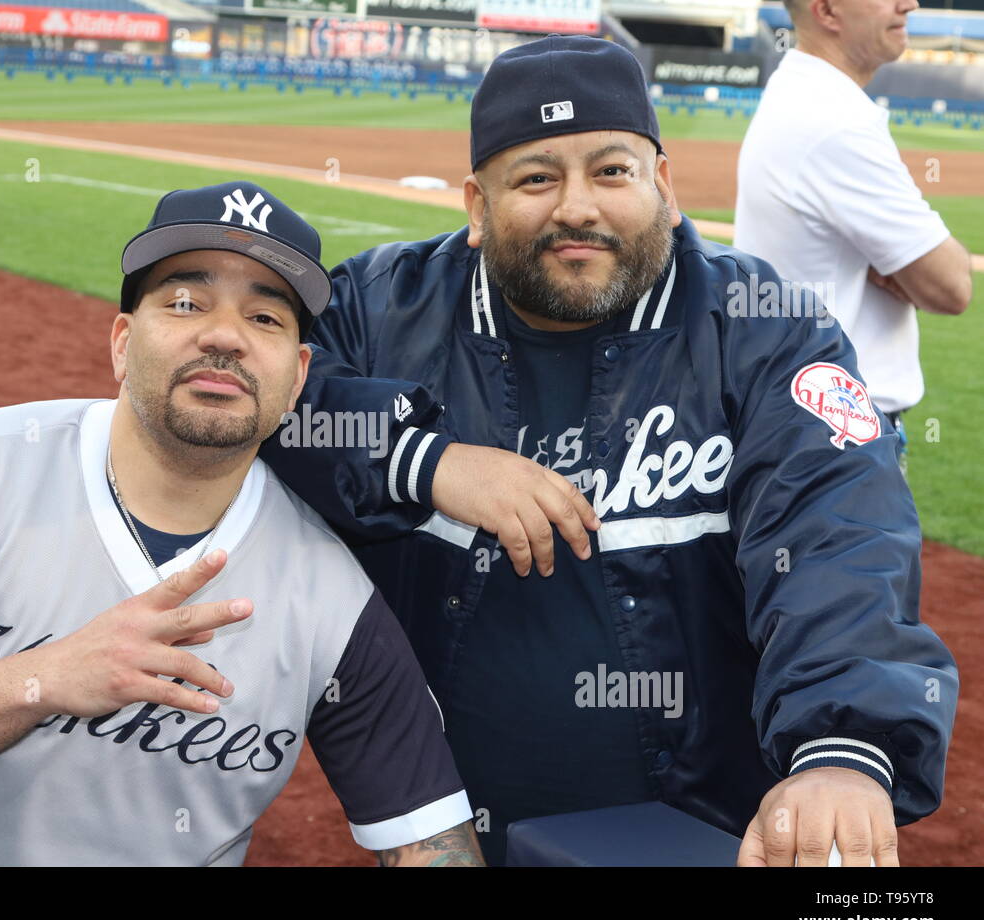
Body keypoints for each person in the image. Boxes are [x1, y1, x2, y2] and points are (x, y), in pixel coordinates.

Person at [257, 35, 957, 866]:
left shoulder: (765, 327)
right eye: (537, 177)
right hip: (444, 821)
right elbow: (268, 394)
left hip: (700, 826)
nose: (577, 208)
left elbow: (838, 530)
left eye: (612, 171)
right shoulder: (382, 307)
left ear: (664, 186)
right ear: (478, 208)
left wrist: (843, 749)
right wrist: (431, 461)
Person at [0, 181, 483, 867]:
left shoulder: (330, 594)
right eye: (183, 302)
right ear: (121, 341)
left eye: (264, 317)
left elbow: (432, 838)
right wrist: (43, 679)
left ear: (298, 377)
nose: (225, 337)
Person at [735, 0, 974, 473]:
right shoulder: (835, 120)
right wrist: (906, 268)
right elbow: (952, 286)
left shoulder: (803, 92)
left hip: (804, 422)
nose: (910, 4)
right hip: (841, 439)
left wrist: (897, 267)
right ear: (827, 10)